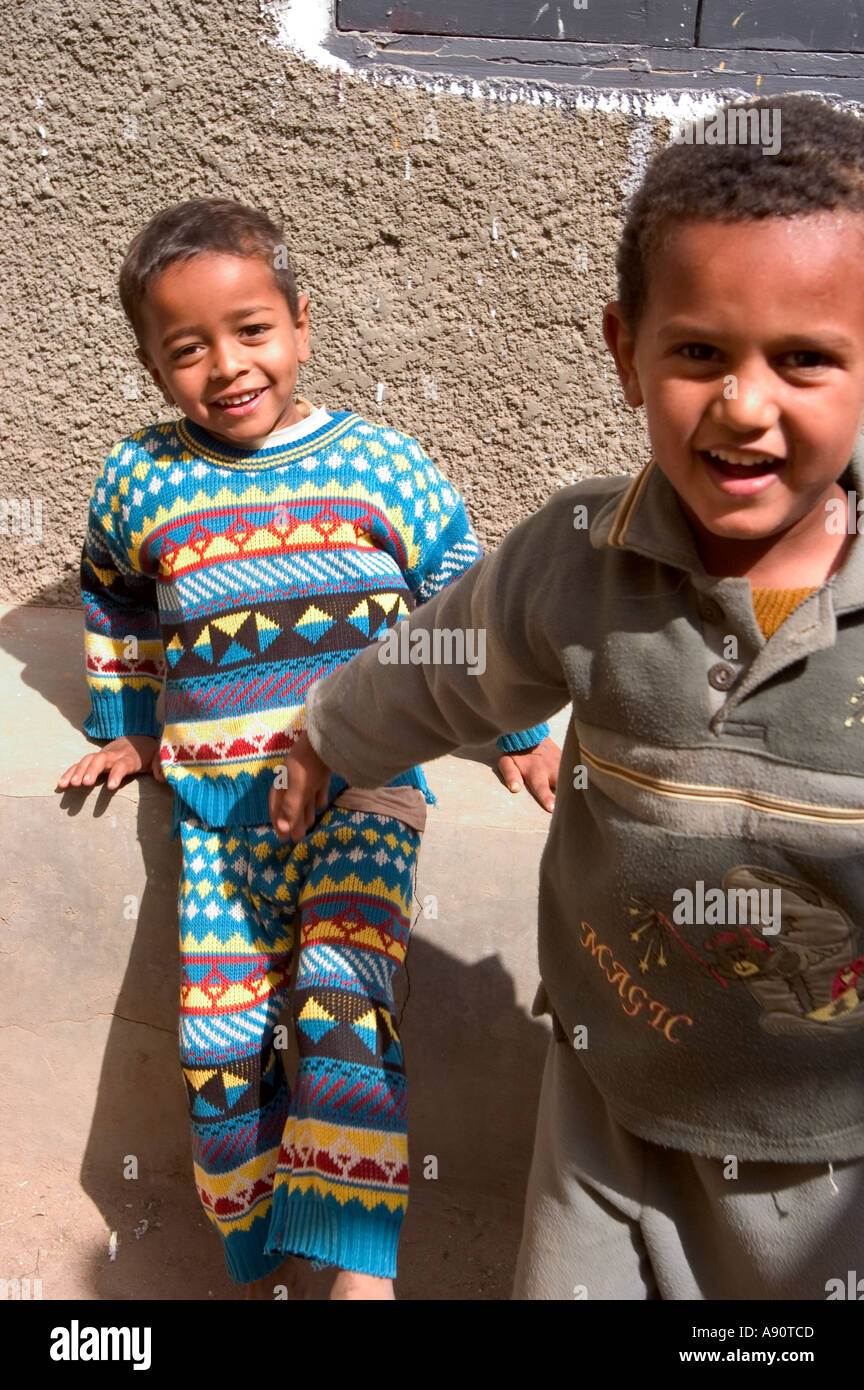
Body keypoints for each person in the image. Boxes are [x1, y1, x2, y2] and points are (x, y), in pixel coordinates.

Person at [273, 95, 864, 1299]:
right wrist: (326, 732)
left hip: (831, 1163)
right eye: (699, 351)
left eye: (804, 358)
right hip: (608, 1109)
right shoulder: (583, 550)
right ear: (623, 349)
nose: (744, 406)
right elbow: (449, 656)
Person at [56, 197, 558, 1299]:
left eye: (252, 330)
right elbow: (119, 596)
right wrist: (133, 729)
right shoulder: (140, 480)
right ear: (151, 365)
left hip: (366, 791)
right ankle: (265, 1250)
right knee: (221, 1044)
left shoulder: (386, 469)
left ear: (302, 324)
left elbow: (461, 602)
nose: (227, 366)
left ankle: (354, 1273)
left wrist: (520, 732)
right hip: (215, 814)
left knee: (341, 998)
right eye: (186, 349)